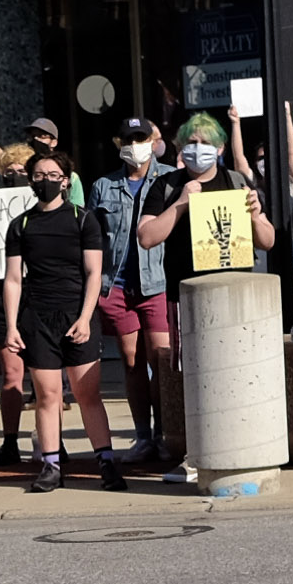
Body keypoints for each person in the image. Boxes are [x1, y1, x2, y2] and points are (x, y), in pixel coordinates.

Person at [136, 112, 280, 480]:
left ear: (219, 148)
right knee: (191, 376)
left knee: (234, 371)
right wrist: (182, 203)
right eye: (190, 143)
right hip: (185, 298)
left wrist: (256, 215)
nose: (196, 150)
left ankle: (238, 444)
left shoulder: (236, 182)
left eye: (204, 143)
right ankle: (195, 453)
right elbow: (147, 236)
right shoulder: (166, 185)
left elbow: (267, 240)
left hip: (232, 300)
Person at [0, 147, 123, 492]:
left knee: (87, 393)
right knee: (47, 394)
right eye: (38, 176)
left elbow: (94, 272)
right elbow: (13, 278)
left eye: (53, 176)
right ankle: (50, 465)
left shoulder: (83, 219)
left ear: (66, 181)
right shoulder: (20, 224)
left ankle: (107, 462)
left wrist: (85, 318)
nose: (46, 182)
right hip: (38, 318)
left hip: (77, 313)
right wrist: (11, 326)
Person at [92, 115, 175, 458]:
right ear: (119, 144)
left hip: (157, 283)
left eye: (141, 138)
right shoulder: (103, 186)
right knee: (131, 362)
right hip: (117, 286)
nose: (135, 145)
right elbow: (94, 239)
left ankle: (166, 432)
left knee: (163, 360)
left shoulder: (171, 178)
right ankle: (143, 436)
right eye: (129, 139)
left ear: (154, 140)